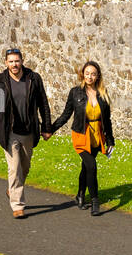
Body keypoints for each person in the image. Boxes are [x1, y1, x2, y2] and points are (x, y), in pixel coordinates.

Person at [0, 47, 52, 219]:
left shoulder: (33, 79)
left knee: (24, 167)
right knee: (14, 169)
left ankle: (12, 189)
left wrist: (46, 127)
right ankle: (17, 205)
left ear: (22, 61)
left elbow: (43, 104)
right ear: (6, 63)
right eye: (11, 61)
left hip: (29, 131)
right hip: (10, 132)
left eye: (17, 61)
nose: (14, 64)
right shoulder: (0, 81)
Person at [49, 60, 115, 216]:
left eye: (93, 74)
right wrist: (50, 129)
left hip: (96, 135)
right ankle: (95, 202)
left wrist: (110, 140)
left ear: (97, 76)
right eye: (87, 73)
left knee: (86, 168)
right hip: (81, 134)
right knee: (91, 166)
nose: (90, 77)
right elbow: (66, 114)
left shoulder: (103, 94)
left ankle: (79, 195)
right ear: (82, 75)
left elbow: (107, 120)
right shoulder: (75, 92)